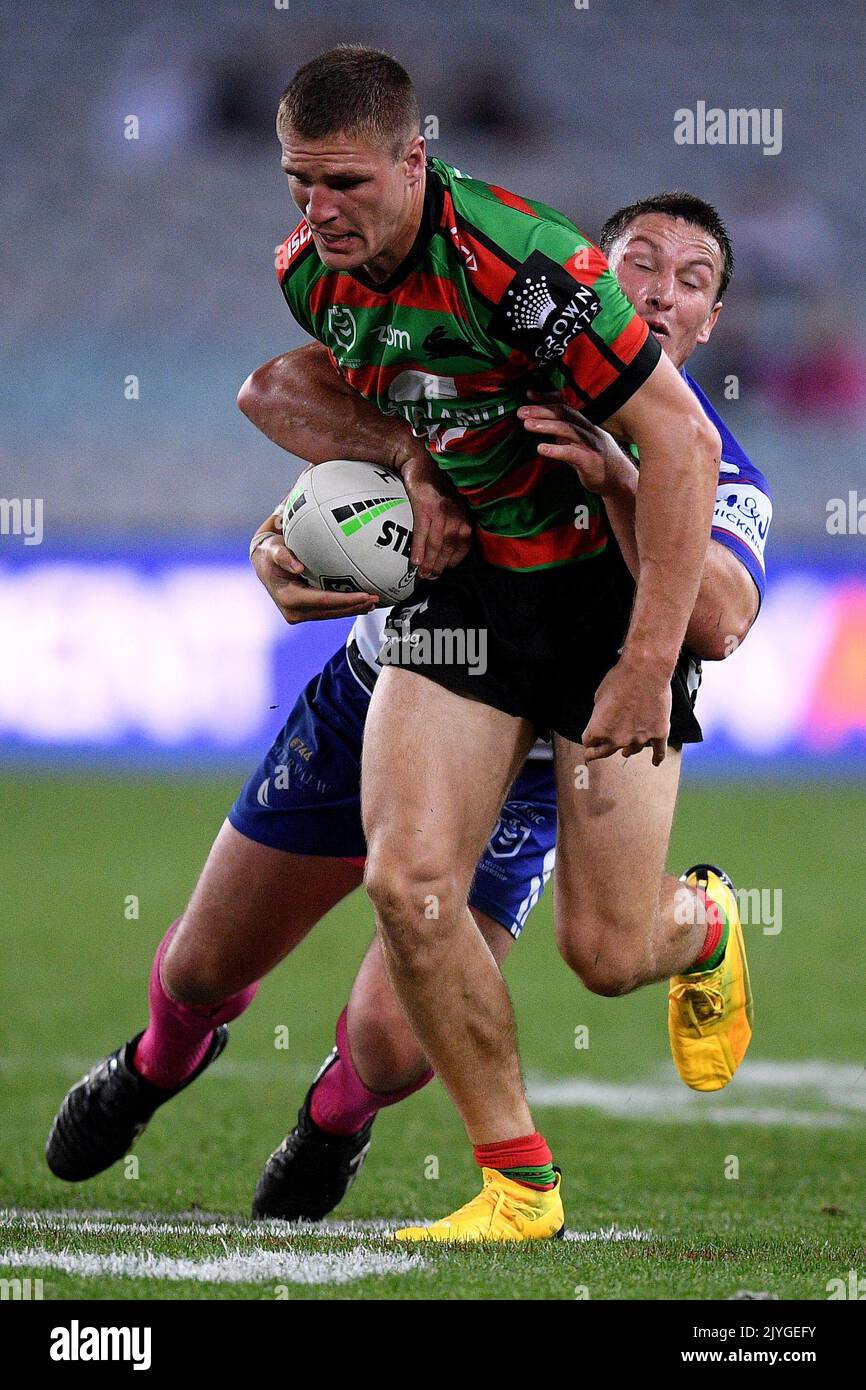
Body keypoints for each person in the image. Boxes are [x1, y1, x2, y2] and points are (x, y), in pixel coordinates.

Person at [45, 46, 764, 1241]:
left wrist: (639, 645)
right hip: (440, 627)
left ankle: (357, 1118)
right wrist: (314, 529)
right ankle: (484, 1173)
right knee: (238, 949)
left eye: (689, 279)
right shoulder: (331, 281)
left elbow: (717, 606)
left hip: (574, 668)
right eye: (297, 183)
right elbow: (296, 396)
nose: (317, 210)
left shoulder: (543, 291)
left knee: (541, 976)